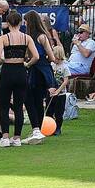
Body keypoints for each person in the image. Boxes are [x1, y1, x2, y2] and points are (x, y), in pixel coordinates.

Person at [0, 9, 38, 149]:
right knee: (19, 107)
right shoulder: (27, 38)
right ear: (20, 22)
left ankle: (5, 137)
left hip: (7, 71)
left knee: (5, 106)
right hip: (21, 71)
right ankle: (17, 138)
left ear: (7, 23)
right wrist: (27, 64)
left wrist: (2, 60)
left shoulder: (3, 38)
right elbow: (36, 56)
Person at [22, 11, 62, 145]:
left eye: (26, 21)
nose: (24, 23)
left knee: (29, 100)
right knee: (39, 101)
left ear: (30, 22)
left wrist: (27, 63)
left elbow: (34, 56)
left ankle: (36, 130)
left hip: (34, 70)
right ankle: (38, 131)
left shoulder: (29, 37)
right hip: (44, 71)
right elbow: (51, 57)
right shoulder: (43, 36)